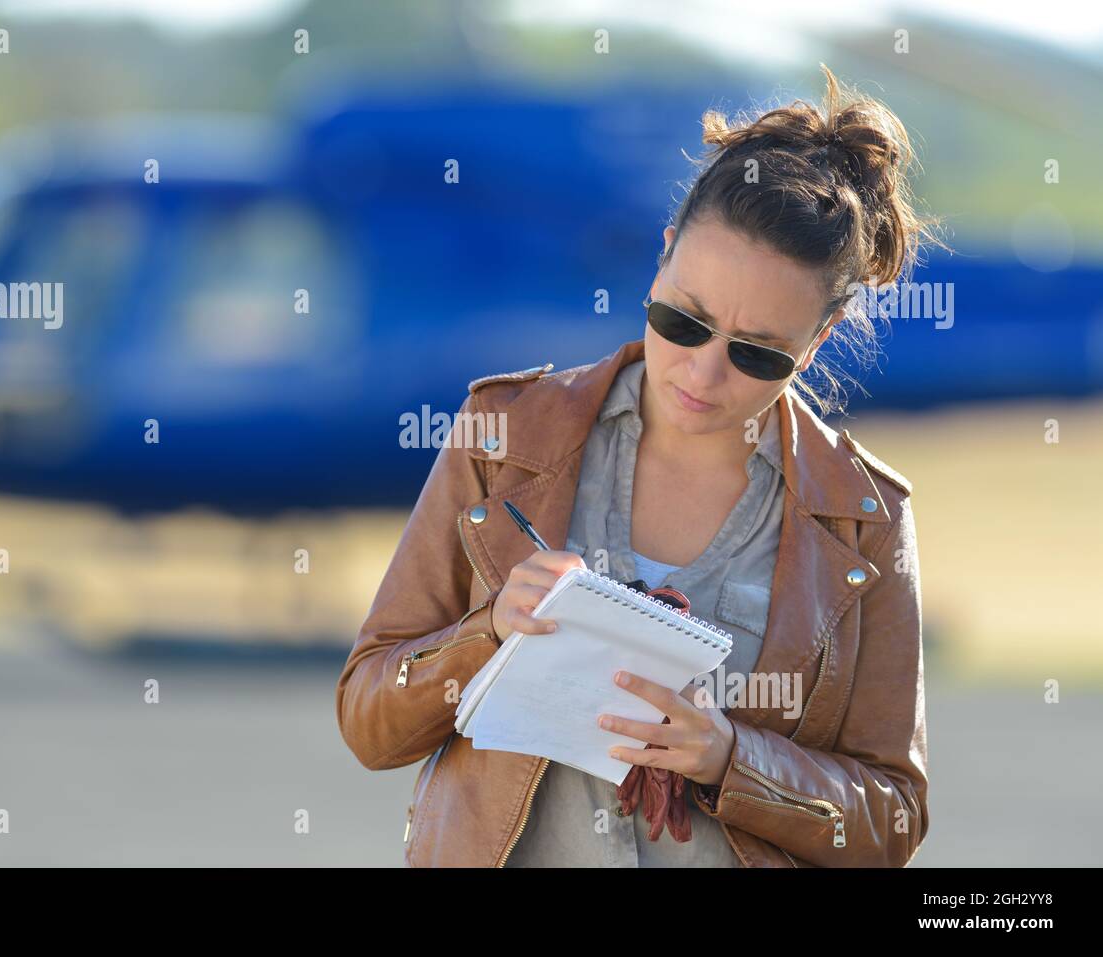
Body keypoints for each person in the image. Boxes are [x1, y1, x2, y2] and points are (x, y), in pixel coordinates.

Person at [337, 64, 943, 867]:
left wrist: (732, 757)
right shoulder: (503, 433)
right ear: (659, 260)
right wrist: (486, 635)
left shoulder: (865, 515)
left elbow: (891, 820)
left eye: (759, 353)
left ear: (819, 342)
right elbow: (368, 721)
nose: (703, 371)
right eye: (682, 320)